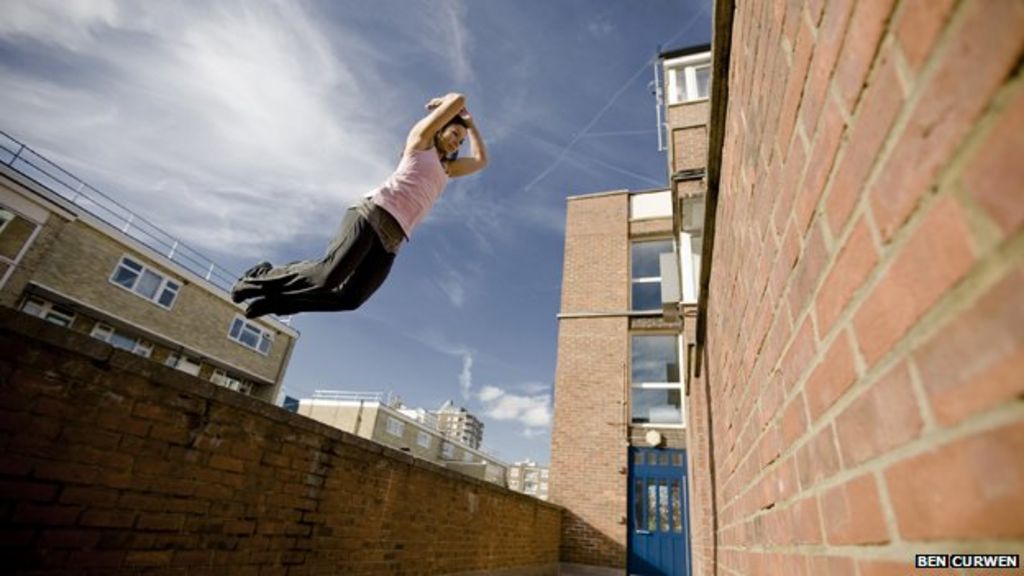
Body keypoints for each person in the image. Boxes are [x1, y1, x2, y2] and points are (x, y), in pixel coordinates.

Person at [231, 92, 488, 318]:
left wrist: (471, 127)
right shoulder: (421, 142)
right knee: (328, 276)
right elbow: (458, 99)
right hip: (373, 213)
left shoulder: (447, 169)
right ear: (441, 130)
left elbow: (480, 160)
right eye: (455, 134)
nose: (457, 142)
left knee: (351, 298)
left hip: (394, 239)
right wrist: (452, 107)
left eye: (461, 141)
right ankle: (259, 277)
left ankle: (277, 303)